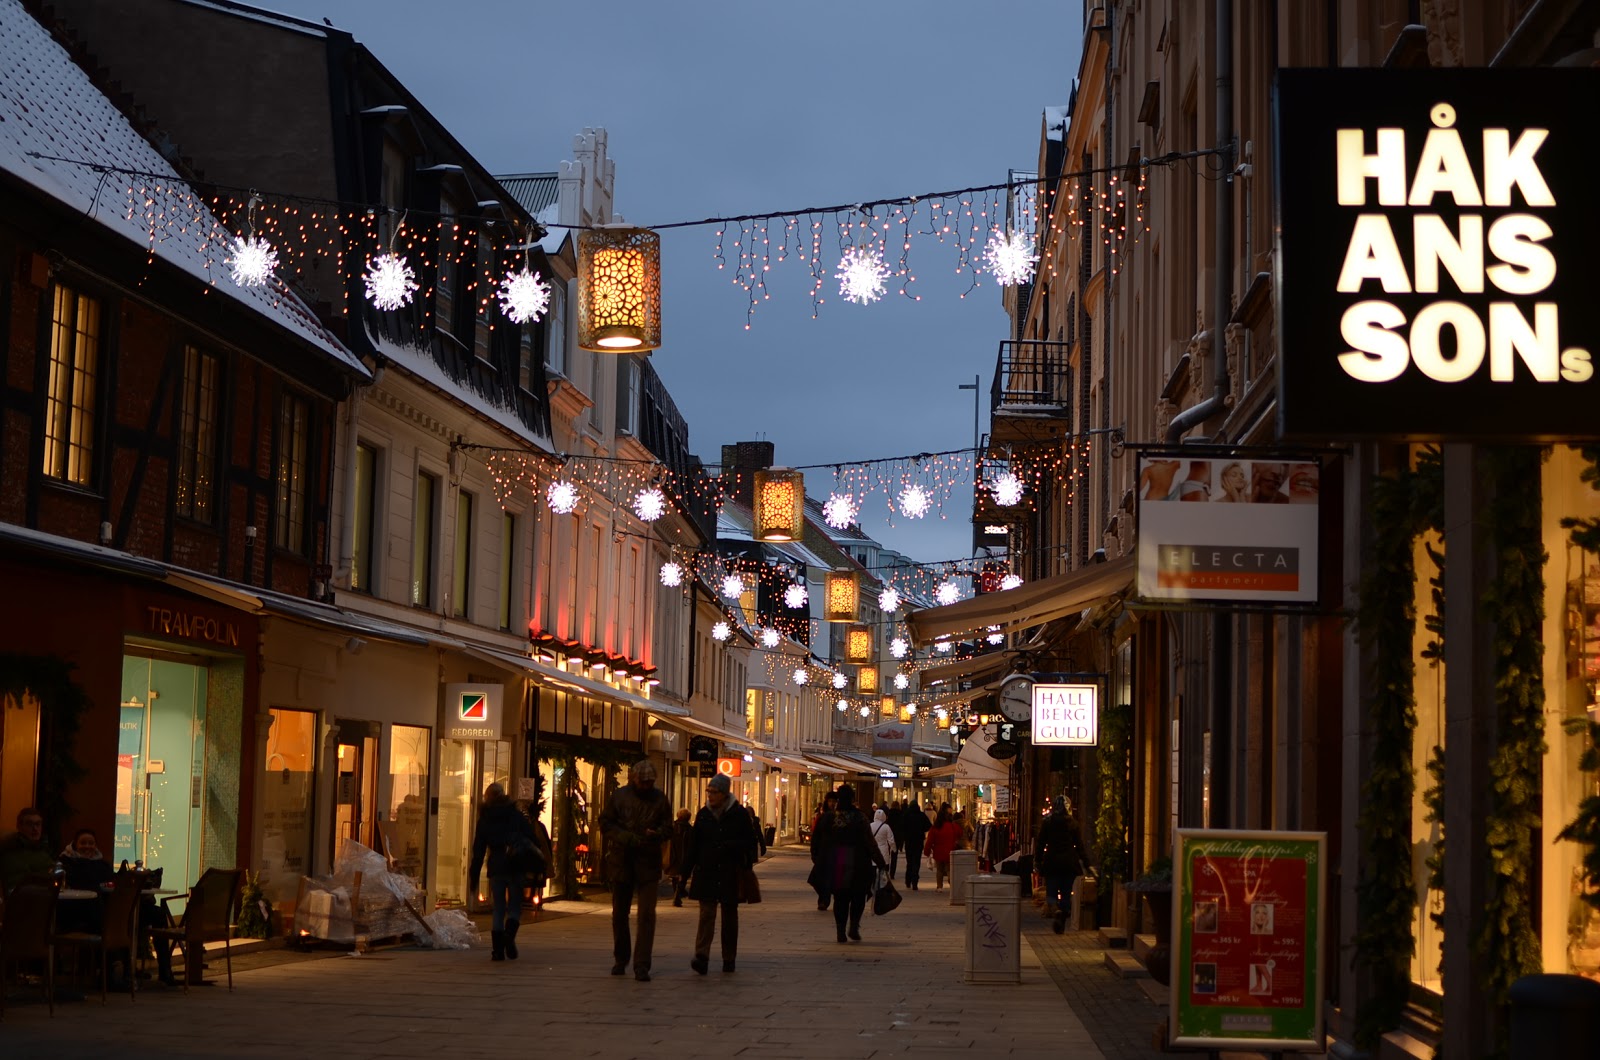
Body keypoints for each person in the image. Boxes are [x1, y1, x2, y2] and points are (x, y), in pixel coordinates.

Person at [598, 759, 673, 981]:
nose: (646, 786)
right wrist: (622, 836)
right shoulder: (620, 796)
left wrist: (657, 834)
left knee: (647, 915)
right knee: (619, 914)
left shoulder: (660, 799)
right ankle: (621, 958)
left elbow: (668, 827)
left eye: (650, 783)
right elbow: (605, 822)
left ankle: (642, 964)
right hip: (622, 860)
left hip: (648, 861)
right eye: (643, 782)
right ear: (634, 779)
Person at [683, 772, 755, 975]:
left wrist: (731, 846)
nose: (710, 795)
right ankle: (702, 956)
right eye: (709, 791)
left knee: (729, 917)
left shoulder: (739, 814)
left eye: (713, 792)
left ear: (724, 794)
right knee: (706, 915)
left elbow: (750, 843)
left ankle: (728, 958)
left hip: (729, 871)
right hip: (706, 870)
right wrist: (684, 872)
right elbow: (693, 845)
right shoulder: (703, 814)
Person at [468, 782, 539, 961]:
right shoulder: (515, 815)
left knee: (498, 908)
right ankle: (509, 936)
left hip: (497, 867)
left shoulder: (485, 819)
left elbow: (478, 850)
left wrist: (474, 875)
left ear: (487, 798)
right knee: (515, 905)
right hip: (515, 866)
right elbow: (531, 838)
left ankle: (497, 951)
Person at [811, 786, 886, 943]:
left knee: (840, 898)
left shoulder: (829, 818)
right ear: (852, 799)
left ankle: (840, 930)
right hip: (858, 862)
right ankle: (853, 925)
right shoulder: (860, 817)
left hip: (836, 862)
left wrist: (818, 859)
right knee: (858, 896)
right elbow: (870, 842)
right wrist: (880, 861)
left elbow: (816, 840)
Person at [1034, 798, 1088, 933]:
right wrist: (1087, 863)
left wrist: (1038, 860)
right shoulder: (1072, 824)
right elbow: (1079, 846)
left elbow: (1040, 844)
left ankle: (1056, 908)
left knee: (1051, 892)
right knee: (1066, 892)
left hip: (1052, 862)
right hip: (1069, 863)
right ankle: (1062, 916)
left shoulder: (1048, 823)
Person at [0, 807, 53, 893]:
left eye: (38, 824)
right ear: (19, 826)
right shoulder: (9, 850)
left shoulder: (44, 852)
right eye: (30, 824)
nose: (35, 828)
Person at [809, 789, 839, 910]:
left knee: (832, 878)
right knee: (820, 878)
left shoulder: (840, 817)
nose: (832, 804)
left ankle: (826, 900)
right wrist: (814, 851)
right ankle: (823, 899)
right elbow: (816, 836)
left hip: (837, 852)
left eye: (834, 801)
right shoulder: (822, 818)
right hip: (824, 852)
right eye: (830, 801)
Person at [926, 806, 962, 891]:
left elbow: (930, 840)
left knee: (940, 870)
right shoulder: (953, 826)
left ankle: (939, 886)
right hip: (950, 851)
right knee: (949, 869)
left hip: (938, 852)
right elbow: (960, 833)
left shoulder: (935, 828)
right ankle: (951, 884)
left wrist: (927, 851)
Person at [899, 799, 930, 890]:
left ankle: (908, 880)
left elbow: (901, 826)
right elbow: (928, 826)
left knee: (909, 861)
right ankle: (915, 881)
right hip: (918, 841)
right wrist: (921, 830)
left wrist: (905, 835)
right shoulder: (921, 815)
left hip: (909, 841)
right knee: (916, 861)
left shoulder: (906, 815)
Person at [668, 807, 693, 907]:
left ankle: (677, 894)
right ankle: (678, 894)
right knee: (684, 877)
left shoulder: (672, 827)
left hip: (673, 855)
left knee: (674, 876)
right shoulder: (690, 829)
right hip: (685, 856)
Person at [869, 807, 897, 871]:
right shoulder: (886, 827)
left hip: (873, 851)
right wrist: (894, 849)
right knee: (884, 871)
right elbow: (891, 840)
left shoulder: (870, 826)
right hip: (884, 851)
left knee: (873, 869)